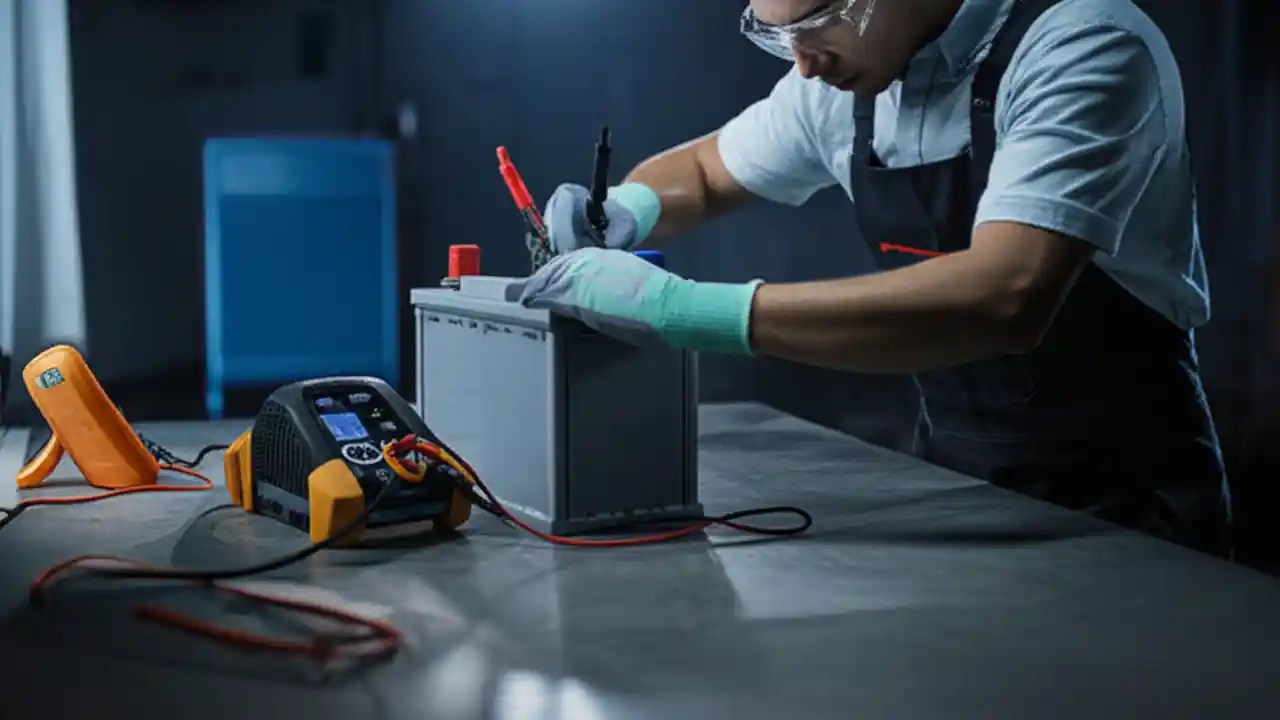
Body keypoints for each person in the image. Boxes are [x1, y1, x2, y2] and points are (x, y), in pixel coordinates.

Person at [510, 0, 1233, 556]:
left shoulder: (1082, 45)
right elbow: (701, 172)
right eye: (776, 36)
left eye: (816, 25)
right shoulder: (845, 82)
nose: (802, 64)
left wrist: (684, 311)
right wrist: (627, 209)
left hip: (1130, 512)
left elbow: (1005, 296)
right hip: (961, 492)